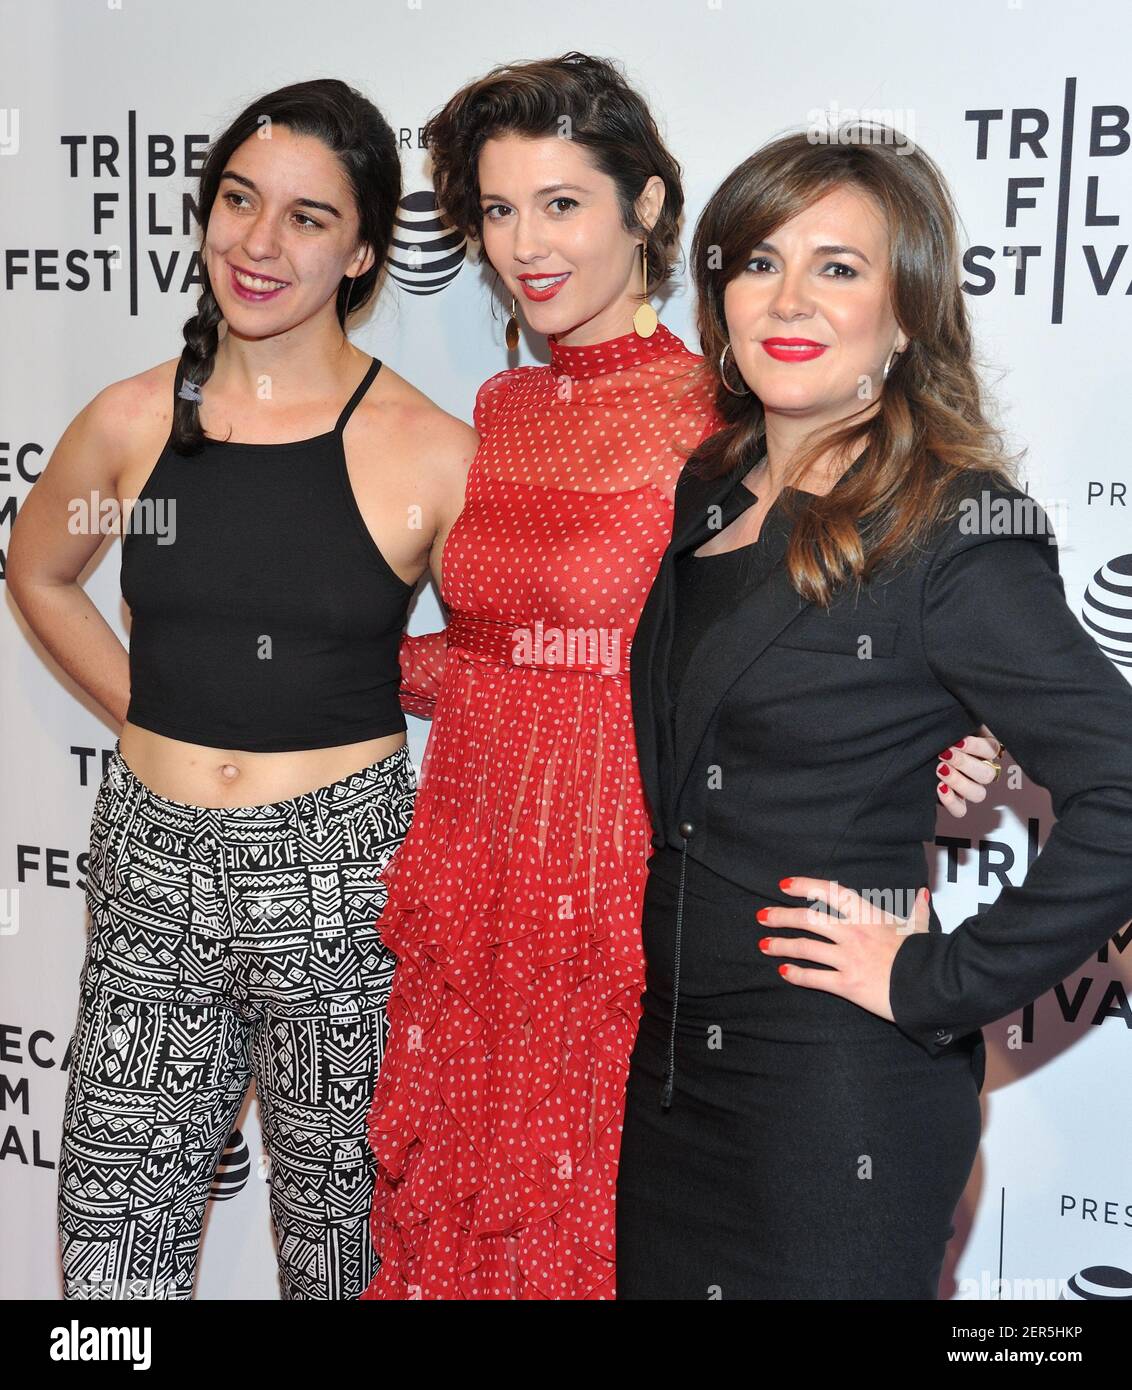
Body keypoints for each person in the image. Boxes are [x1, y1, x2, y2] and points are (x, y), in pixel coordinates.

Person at [361, 56, 997, 1300]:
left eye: (561, 204)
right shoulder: (500, 406)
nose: (525, 245)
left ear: (647, 208)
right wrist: (332, 667)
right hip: (477, 856)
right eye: (497, 210)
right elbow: (503, 644)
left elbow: (815, 626)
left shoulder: (731, 410)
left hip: (617, 875)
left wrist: (944, 737)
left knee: (600, 1219)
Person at [614, 124, 1132, 1300]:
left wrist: (935, 982)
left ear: (906, 315)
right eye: (757, 261)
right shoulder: (717, 485)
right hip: (675, 1080)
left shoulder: (952, 527)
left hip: (834, 1093)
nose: (787, 298)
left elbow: (1121, 788)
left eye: (837, 267)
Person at [7, 78, 475, 1300]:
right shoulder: (128, 422)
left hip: (347, 880)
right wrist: (151, 714)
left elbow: (507, 670)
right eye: (238, 200)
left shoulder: (427, 450)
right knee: (110, 1257)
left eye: (309, 218)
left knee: (343, 1254)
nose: (259, 244)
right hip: (153, 862)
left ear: (365, 247)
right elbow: (42, 571)